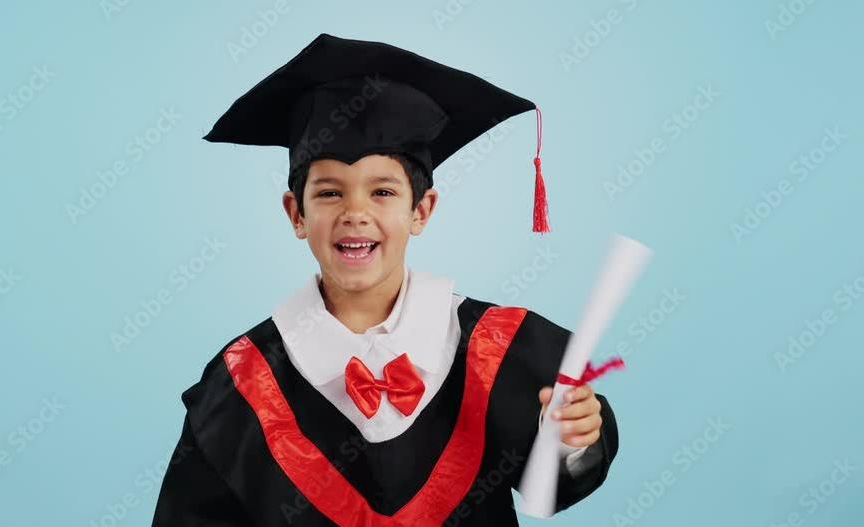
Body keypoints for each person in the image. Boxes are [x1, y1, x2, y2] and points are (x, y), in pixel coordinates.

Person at [151, 33, 619, 526]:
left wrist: (570, 439)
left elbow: (546, 489)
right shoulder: (242, 382)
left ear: (421, 210)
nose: (355, 213)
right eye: (330, 193)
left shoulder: (497, 347)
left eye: (382, 192)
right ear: (296, 214)